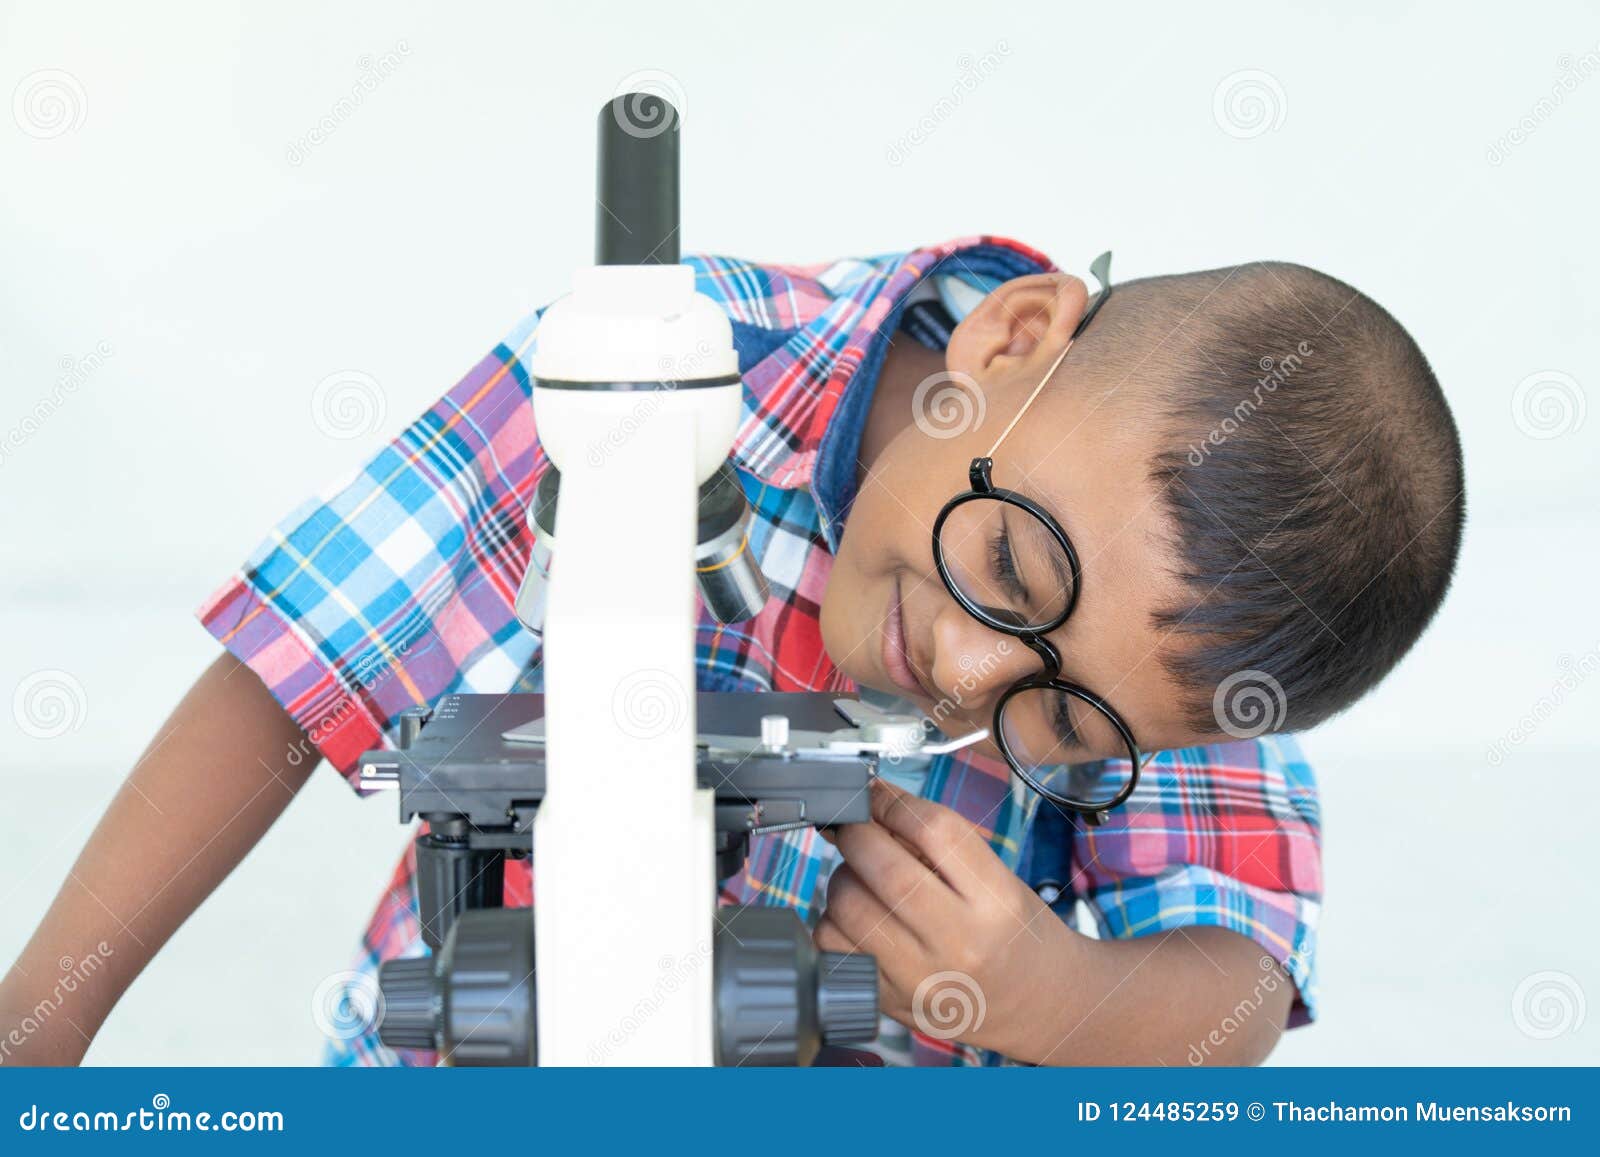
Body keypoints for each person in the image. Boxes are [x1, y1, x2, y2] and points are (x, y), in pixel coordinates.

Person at [0, 235, 1463, 1066]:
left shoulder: (1176, 621)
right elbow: (308, 662)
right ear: (1012, 342)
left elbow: (1240, 981)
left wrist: (1053, 993)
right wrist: (43, 1017)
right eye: (1008, 564)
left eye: (1063, 722)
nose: (966, 670)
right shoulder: (650, 368)